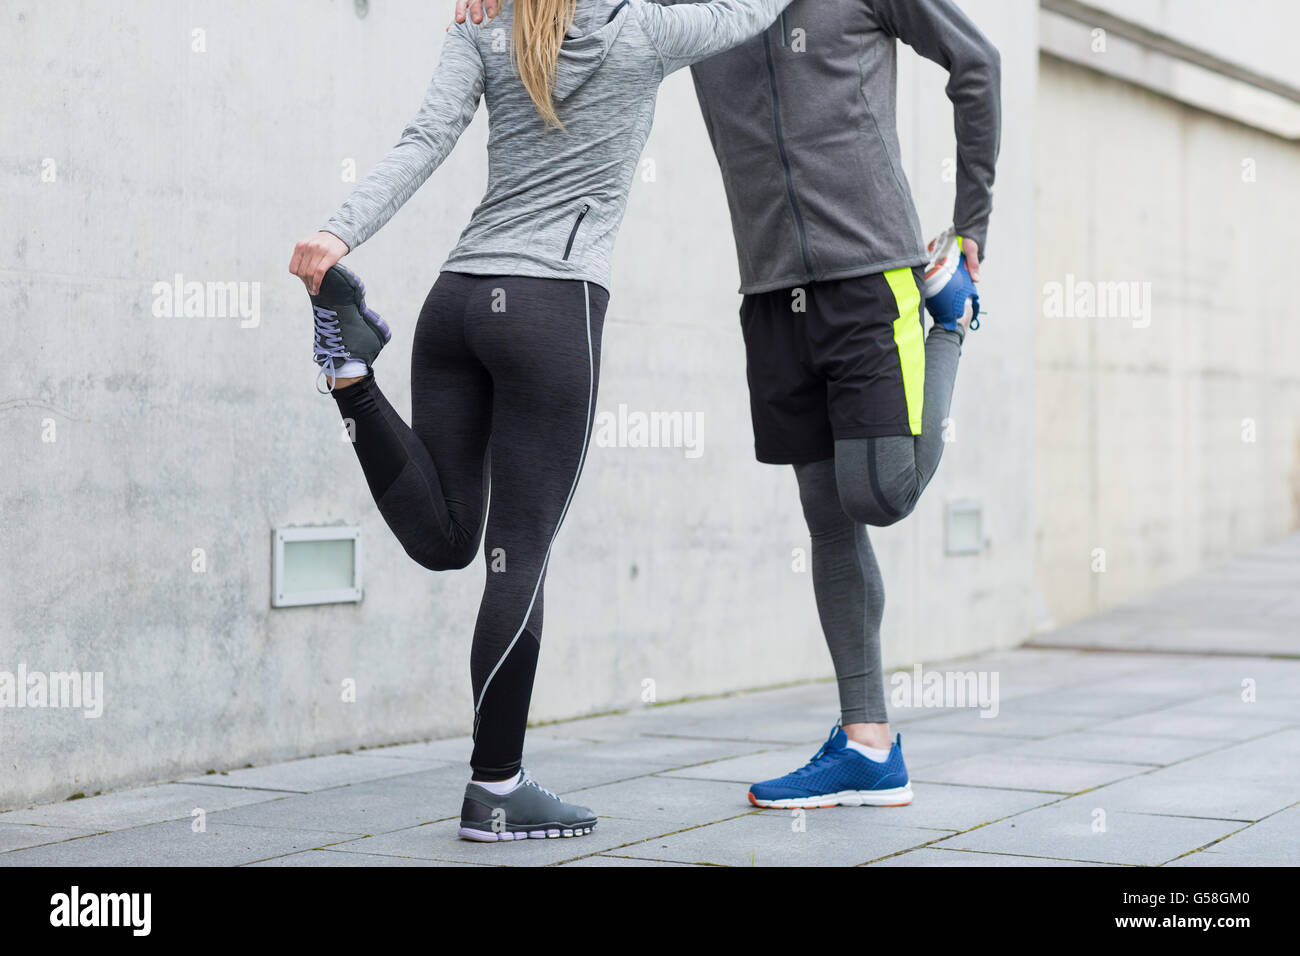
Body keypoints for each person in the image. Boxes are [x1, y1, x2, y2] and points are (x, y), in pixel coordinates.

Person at [459, 0, 1001, 810]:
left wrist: (971, 224)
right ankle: (868, 745)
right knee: (828, 516)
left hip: (873, 275)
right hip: (772, 290)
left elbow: (978, 64)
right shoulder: (699, 12)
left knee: (880, 490)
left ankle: (953, 320)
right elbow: (582, 25)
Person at [288, 0, 795, 842]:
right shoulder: (648, 31)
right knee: (516, 558)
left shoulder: (486, 24)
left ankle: (349, 374)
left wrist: (336, 233)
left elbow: (423, 141)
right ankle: (496, 787)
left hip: (455, 305)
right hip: (550, 311)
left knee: (449, 539)